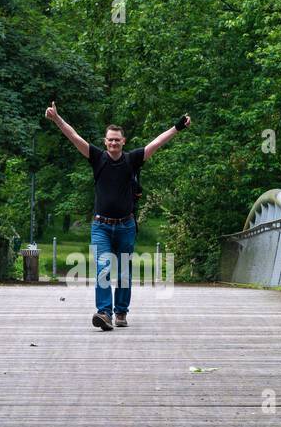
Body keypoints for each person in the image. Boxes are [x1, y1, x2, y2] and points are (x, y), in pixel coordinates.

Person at [45, 103, 191, 329]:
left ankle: (121, 312)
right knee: (103, 268)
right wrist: (57, 120)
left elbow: (157, 143)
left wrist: (177, 127)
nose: (113, 143)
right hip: (101, 226)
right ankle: (104, 313)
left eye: (117, 139)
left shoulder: (132, 159)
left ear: (123, 141)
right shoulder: (97, 158)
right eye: (110, 139)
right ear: (105, 142)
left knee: (123, 271)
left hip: (125, 226)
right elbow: (74, 137)